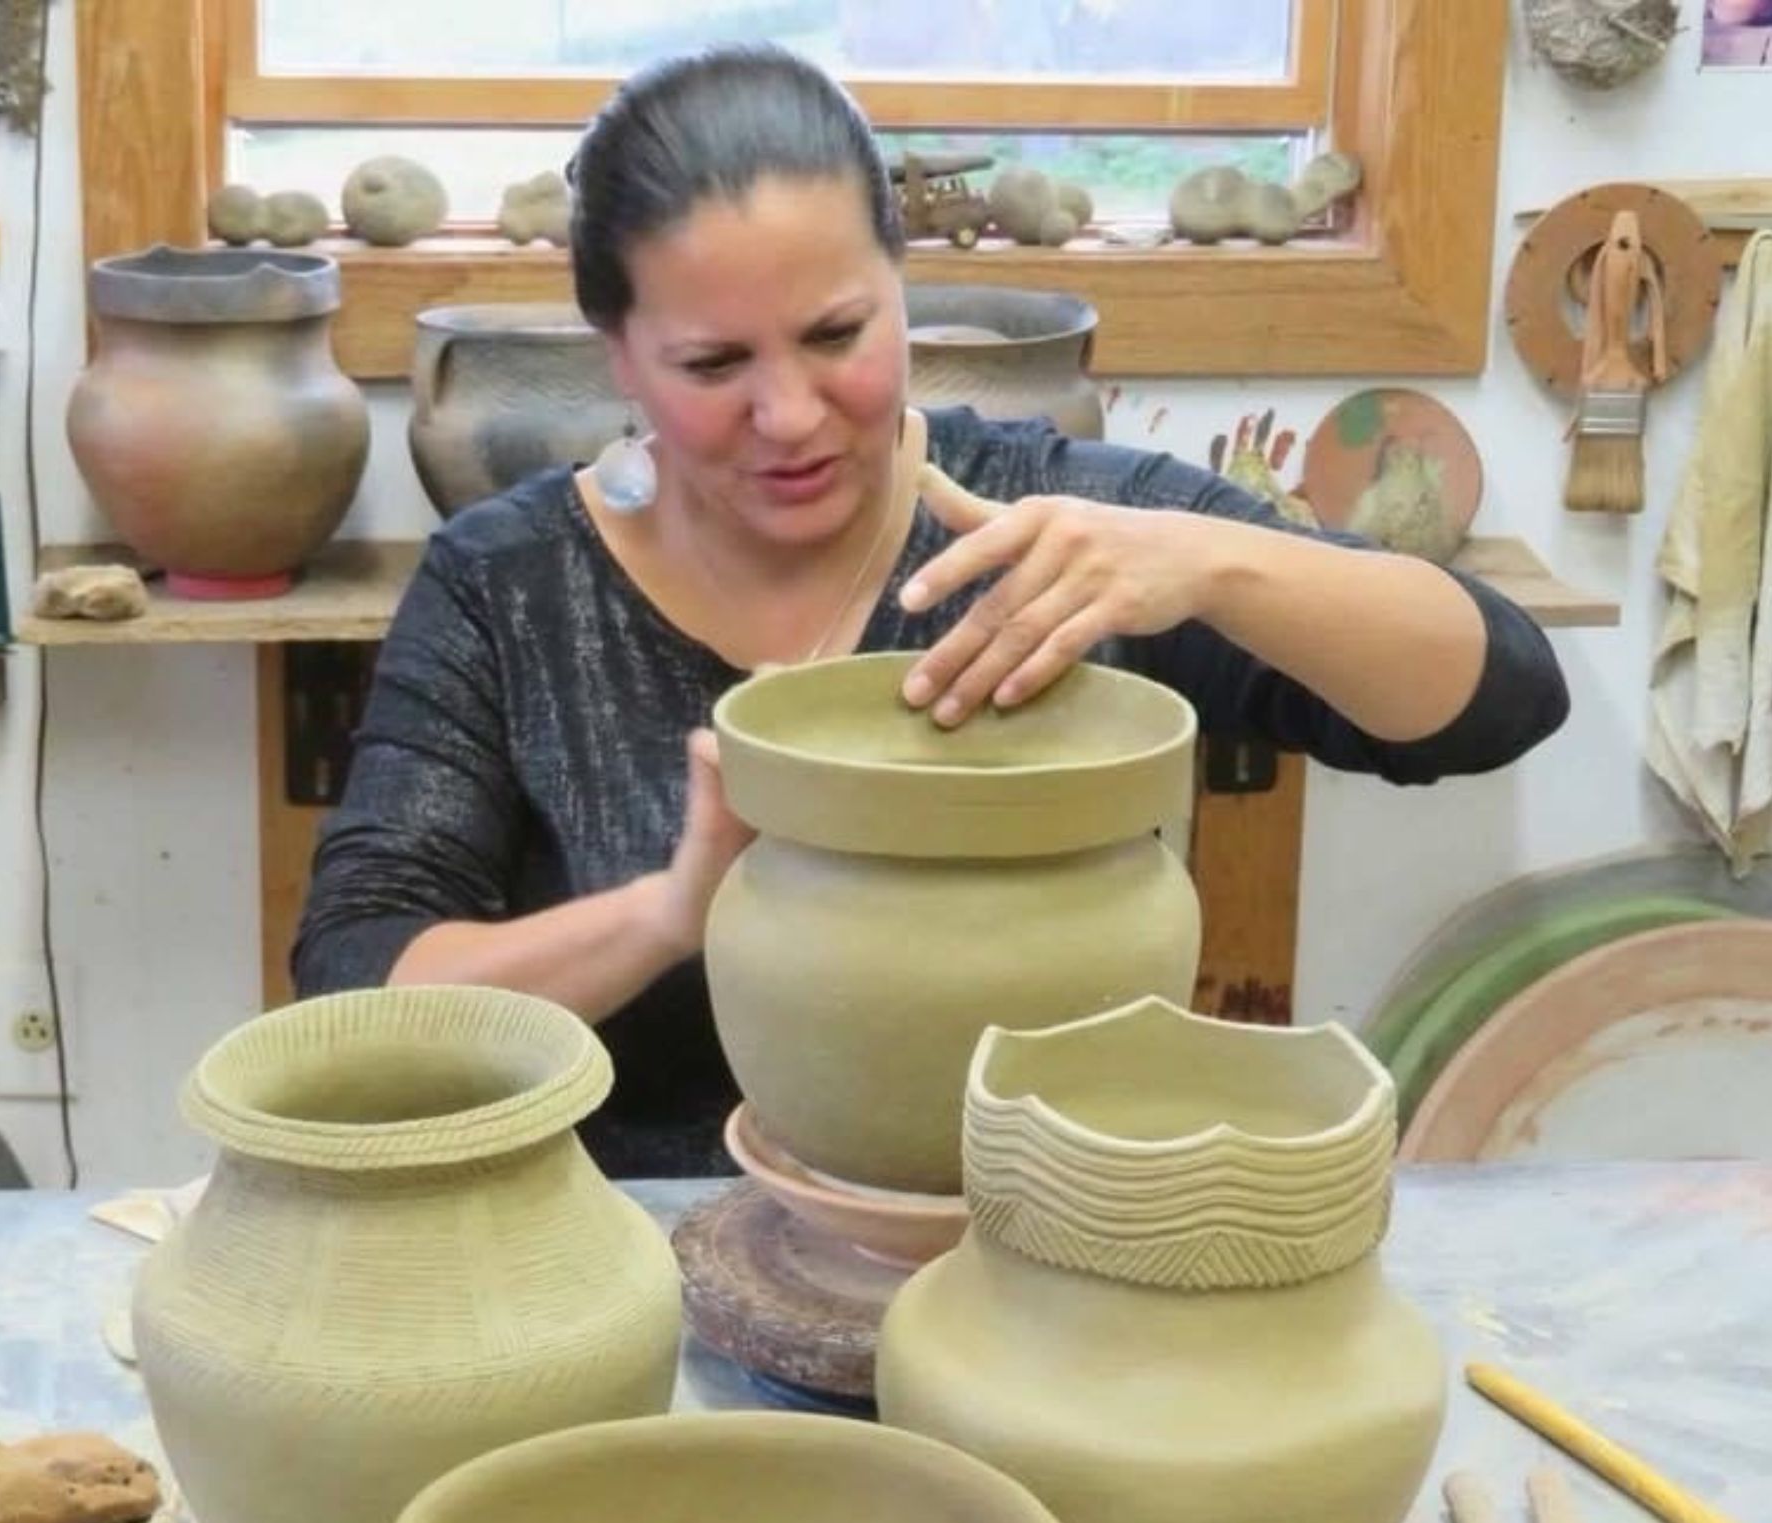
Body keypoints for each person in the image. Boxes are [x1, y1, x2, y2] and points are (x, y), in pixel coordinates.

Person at [294, 44, 1570, 1179]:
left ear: (902, 293)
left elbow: (1498, 698)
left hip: (1036, 1265)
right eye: (712, 364)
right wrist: (669, 912)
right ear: (617, 353)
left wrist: (1209, 563)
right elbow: (357, 980)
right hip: (634, 1268)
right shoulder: (509, 585)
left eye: (837, 333)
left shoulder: (1055, 524)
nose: (788, 415)